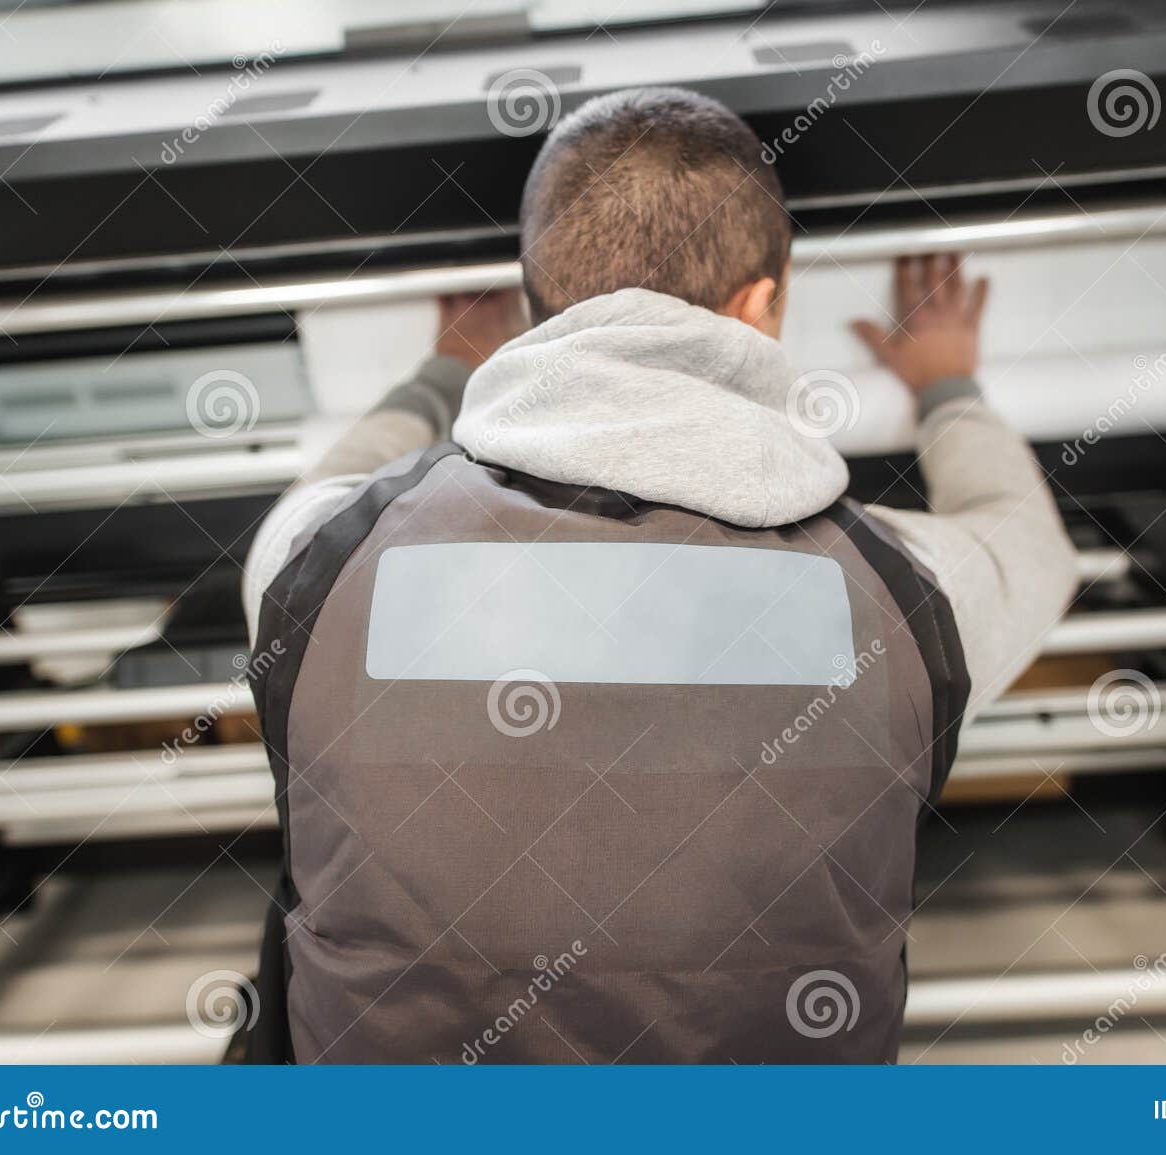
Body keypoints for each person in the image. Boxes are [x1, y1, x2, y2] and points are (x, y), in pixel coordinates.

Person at [240, 86, 1076, 1064]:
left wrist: (437, 377)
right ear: (760, 305)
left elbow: (327, 491)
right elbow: (1028, 541)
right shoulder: (904, 591)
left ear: (535, 305)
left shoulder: (320, 563)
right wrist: (948, 387)